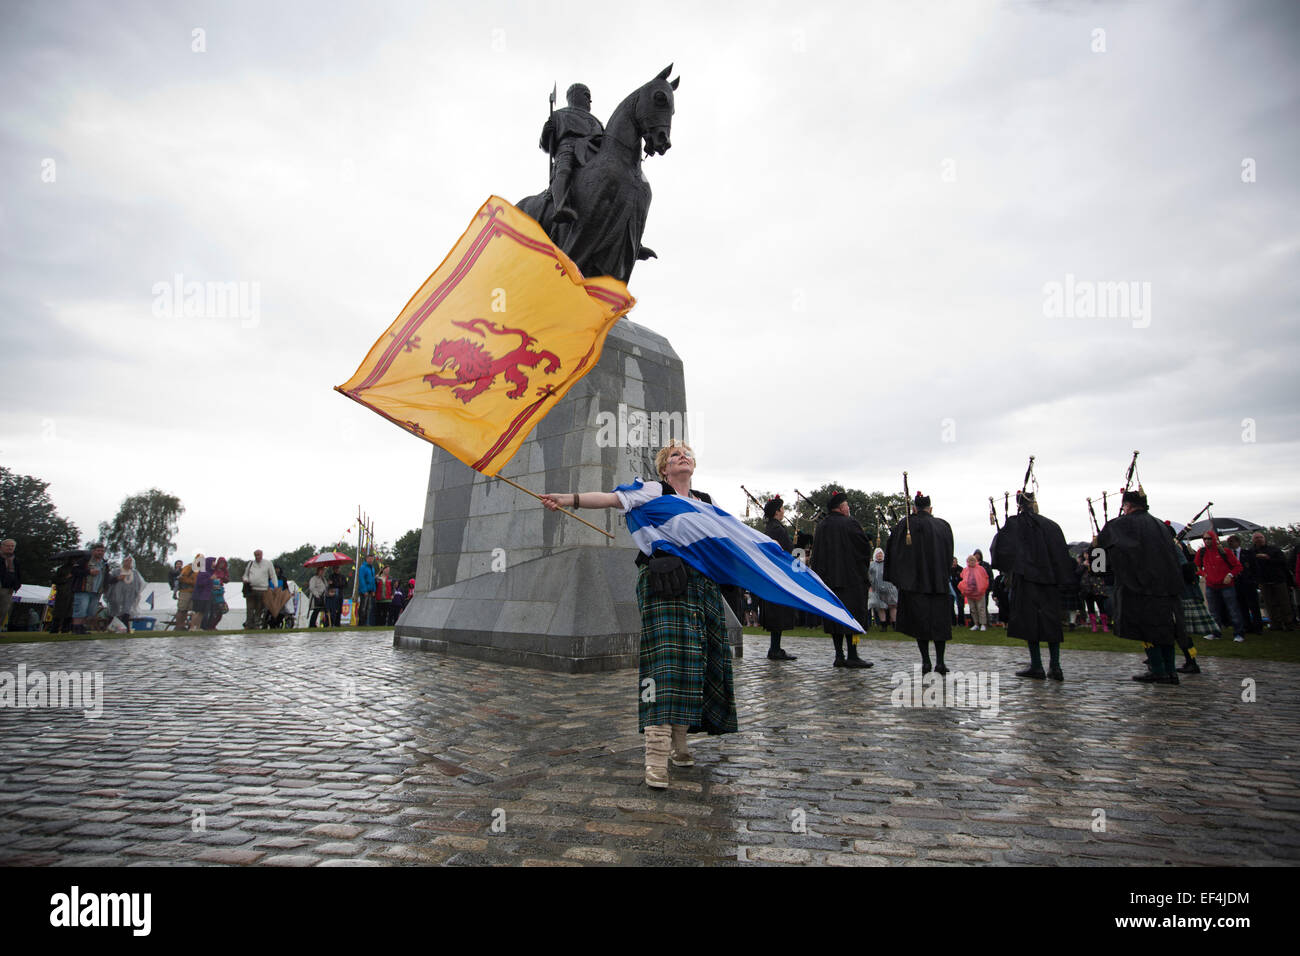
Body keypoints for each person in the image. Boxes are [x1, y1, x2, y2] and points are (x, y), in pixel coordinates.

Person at [539, 441, 738, 790]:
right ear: (664, 469)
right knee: (665, 666)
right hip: (667, 584)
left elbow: (731, 538)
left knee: (697, 663)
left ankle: (680, 742)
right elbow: (611, 499)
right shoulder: (654, 491)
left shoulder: (706, 502)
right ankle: (656, 756)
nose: (682, 458)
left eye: (687, 455)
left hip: (703, 587)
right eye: (675, 456)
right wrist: (568, 499)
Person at [1094, 489, 1184, 684]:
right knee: (1165, 629)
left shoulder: (1120, 524)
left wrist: (1098, 569)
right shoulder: (1160, 525)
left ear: (1127, 506)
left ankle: (1158, 669)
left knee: (1147, 629)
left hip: (1138, 585)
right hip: (1166, 585)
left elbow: (1100, 551)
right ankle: (1171, 671)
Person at [990, 492, 1075, 680]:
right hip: (1050, 581)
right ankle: (1055, 666)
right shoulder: (1052, 526)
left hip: (1026, 579)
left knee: (1029, 622)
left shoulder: (1015, 524)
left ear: (1019, 506)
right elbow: (1062, 556)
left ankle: (1037, 665)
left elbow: (1000, 550)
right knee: (1051, 622)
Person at [884, 492, 955, 675]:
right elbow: (949, 553)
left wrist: (899, 578)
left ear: (915, 508)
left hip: (914, 584)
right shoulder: (943, 526)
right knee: (939, 624)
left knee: (920, 624)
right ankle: (940, 662)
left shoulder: (905, 525)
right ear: (930, 508)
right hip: (938, 582)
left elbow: (893, 549)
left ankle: (926, 661)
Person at [810, 491, 874, 669]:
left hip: (829, 582)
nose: (848, 508)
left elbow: (817, 555)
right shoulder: (850, 523)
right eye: (846, 505)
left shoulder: (822, 526)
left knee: (835, 619)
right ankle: (852, 654)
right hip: (851, 581)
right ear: (840, 508)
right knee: (853, 618)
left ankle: (839, 655)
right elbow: (864, 549)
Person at [539, 83, 605, 224]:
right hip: (567, 148)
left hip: (592, 152)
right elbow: (545, 146)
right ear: (575, 95)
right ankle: (560, 206)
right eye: (586, 95)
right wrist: (546, 133)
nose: (589, 100)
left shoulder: (597, 122)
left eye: (589, 97)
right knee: (564, 169)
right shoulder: (558, 115)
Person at [760, 497, 798, 661]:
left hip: (772, 576)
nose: (783, 512)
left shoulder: (770, 527)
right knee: (778, 613)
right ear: (777, 512)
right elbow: (787, 550)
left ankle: (775, 647)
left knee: (777, 613)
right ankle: (775, 649)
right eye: (782, 509)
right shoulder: (777, 529)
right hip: (779, 576)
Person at [1195, 530, 1246, 643]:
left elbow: (1238, 566)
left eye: (1209, 538)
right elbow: (1196, 566)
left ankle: (1239, 633)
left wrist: (1230, 575)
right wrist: (1204, 574)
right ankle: (1215, 632)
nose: (1207, 541)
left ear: (1214, 539)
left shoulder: (1225, 552)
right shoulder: (1202, 552)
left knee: (1233, 609)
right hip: (1211, 585)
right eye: (1205, 539)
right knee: (1213, 610)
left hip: (1226, 585)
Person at [1250, 531, 1294, 631]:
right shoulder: (1251, 552)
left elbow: (1283, 562)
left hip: (1278, 579)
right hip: (1263, 581)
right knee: (1269, 603)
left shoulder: (1274, 549)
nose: (1259, 539)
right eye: (1256, 538)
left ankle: (1289, 623)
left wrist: (1268, 558)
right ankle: (1275, 624)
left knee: (1284, 602)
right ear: (1253, 540)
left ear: (1264, 539)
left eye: (1261, 537)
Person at [1227, 535, 1264, 634]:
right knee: (1242, 606)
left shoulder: (1248, 553)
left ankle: (1258, 626)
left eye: (1232, 541)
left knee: (1253, 606)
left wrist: (1255, 580)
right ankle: (1247, 626)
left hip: (1248, 583)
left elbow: (1255, 567)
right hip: (1236, 584)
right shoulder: (1228, 555)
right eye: (1229, 542)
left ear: (1238, 542)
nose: (1230, 543)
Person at [72, 542, 110, 634]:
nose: (100, 552)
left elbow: (107, 576)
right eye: (98, 550)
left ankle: (82, 627)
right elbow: (74, 571)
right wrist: (89, 572)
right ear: (93, 551)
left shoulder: (104, 564)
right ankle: (76, 628)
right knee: (81, 608)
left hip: (97, 591)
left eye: (102, 551)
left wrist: (106, 587)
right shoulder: (85, 560)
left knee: (90, 611)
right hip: (84, 589)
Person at [105, 555, 146, 632]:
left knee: (126, 612)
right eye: (127, 561)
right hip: (115, 595)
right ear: (123, 562)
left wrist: (136, 594)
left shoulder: (135, 573)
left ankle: (125, 628)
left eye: (130, 561)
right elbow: (109, 581)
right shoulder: (116, 571)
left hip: (129, 596)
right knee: (114, 611)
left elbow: (139, 584)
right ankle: (111, 627)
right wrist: (118, 578)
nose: (128, 563)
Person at [242, 549, 279, 628]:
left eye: (258, 555)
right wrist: (245, 579)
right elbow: (245, 575)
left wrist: (275, 586)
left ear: (262, 555)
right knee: (250, 608)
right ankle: (249, 624)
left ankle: (256, 624)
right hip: (251, 589)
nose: (257, 557)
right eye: (256, 555)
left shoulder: (268, 563)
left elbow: (273, 575)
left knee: (259, 608)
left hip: (263, 590)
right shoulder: (251, 563)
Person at [868, 547, 898, 631]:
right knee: (880, 607)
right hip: (877, 589)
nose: (879, 556)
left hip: (890, 589)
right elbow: (869, 577)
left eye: (881, 554)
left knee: (892, 606)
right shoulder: (871, 565)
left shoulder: (888, 564)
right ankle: (883, 625)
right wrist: (870, 587)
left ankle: (895, 625)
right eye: (878, 554)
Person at [959, 554, 990, 631]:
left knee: (981, 608)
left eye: (973, 560)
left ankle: (983, 624)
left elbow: (985, 578)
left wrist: (983, 588)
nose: (971, 562)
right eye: (970, 560)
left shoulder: (981, 569)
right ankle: (976, 624)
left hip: (980, 592)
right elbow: (963, 579)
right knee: (973, 609)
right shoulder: (965, 570)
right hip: (970, 593)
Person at [0, 539, 20, 633]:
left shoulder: (15, 560)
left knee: (4, 610)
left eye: (12, 546)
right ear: (2, 546)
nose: (10, 548)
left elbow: (18, 573)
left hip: (9, 588)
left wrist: (17, 584)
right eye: (8, 546)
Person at [176, 555, 198, 630]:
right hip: (185, 591)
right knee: (182, 609)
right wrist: (192, 582)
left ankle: (185, 626)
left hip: (193, 592)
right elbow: (181, 577)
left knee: (189, 610)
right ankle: (179, 626)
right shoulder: (189, 567)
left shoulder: (199, 570)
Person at [358, 554, 377, 626]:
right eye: (370, 559)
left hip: (370, 590)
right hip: (364, 590)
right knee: (363, 607)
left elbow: (373, 580)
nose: (371, 560)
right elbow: (361, 579)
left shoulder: (372, 568)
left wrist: (374, 590)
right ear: (366, 559)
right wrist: (364, 590)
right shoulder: (363, 567)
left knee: (368, 607)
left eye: (372, 559)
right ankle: (361, 623)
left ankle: (366, 622)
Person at [948, 556, 965, 626]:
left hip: (959, 590)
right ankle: (953, 622)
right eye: (953, 562)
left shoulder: (961, 569)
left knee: (960, 607)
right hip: (951, 591)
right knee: (951, 607)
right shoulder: (948, 570)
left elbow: (963, 580)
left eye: (955, 562)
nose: (954, 563)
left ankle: (961, 622)